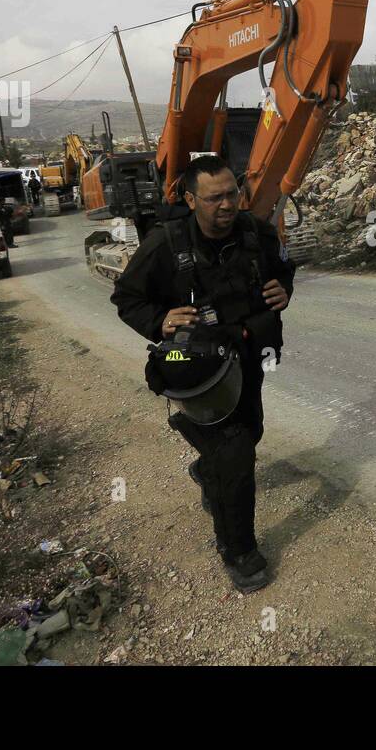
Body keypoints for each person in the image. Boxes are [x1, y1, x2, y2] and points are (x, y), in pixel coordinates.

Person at [110, 154, 294, 593]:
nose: (227, 205)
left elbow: (285, 266)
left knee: (252, 431)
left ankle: (209, 471)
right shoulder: (165, 245)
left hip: (249, 356)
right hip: (201, 370)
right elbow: (127, 298)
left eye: (232, 193)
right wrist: (160, 321)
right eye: (214, 198)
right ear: (191, 200)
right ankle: (240, 552)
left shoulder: (258, 233)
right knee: (236, 456)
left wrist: (283, 287)